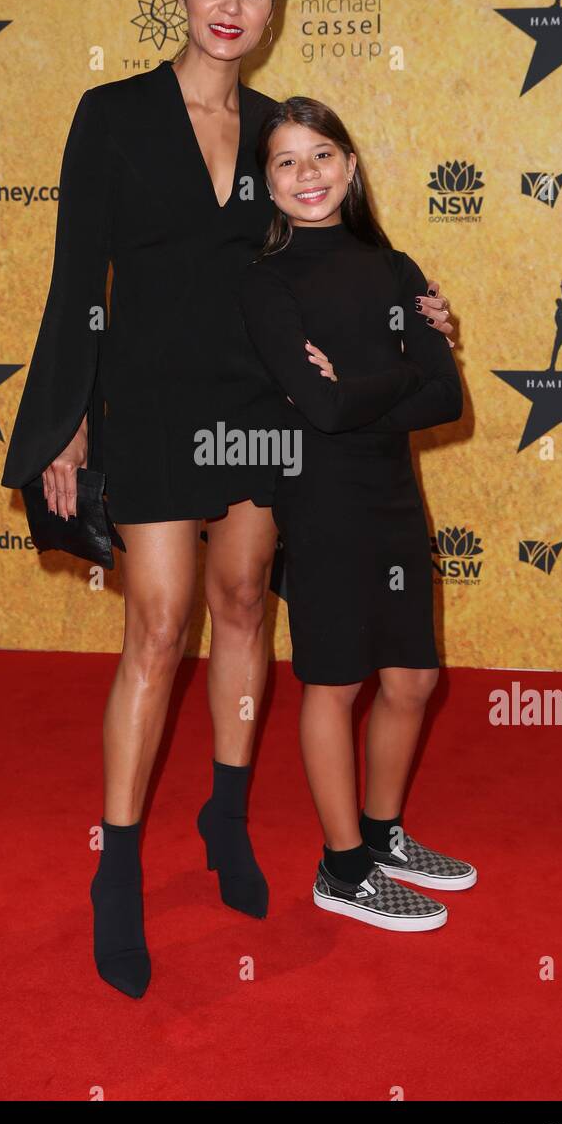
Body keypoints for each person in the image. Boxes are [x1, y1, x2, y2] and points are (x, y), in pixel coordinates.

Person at [0, 0, 457, 997]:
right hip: (152, 409)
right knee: (160, 624)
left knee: (245, 603)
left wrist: (410, 313)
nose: (231, 5)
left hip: (257, 409)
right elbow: (78, 275)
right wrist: (65, 420)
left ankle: (226, 810)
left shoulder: (271, 131)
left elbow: (321, 259)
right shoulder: (110, 115)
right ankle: (116, 868)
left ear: (270, 13)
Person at [238, 96, 475, 932]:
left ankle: (381, 838)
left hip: (392, 490)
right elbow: (322, 413)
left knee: (413, 676)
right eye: (286, 162)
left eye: (322, 155)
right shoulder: (267, 282)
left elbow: (447, 400)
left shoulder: (396, 268)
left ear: (350, 164)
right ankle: (341, 869)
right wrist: (398, 377)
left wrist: (360, 385)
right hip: (322, 496)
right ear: (266, 184)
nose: (308, 175)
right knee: (335, 679)